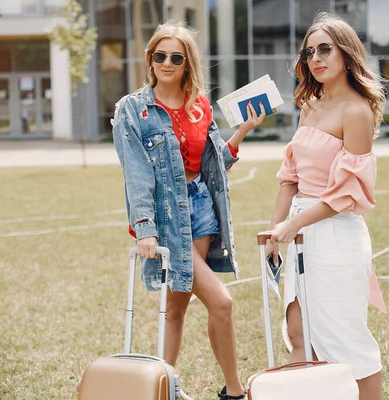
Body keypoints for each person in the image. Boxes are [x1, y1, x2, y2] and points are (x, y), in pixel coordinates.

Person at [112, 20, 267, 400]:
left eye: (175, 57)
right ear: (150, 60)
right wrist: (145, 227)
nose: (166, 62)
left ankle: (161, 391)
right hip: (167, 219)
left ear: (187, 63)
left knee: (175, 307)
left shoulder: (200, 106)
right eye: (159, 55)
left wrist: (242, 131)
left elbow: (213, 164)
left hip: (201, 212)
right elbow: (137, 174)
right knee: (222, 302)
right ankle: (233, 392)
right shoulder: (134, 110)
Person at [265, 12, 385, 400]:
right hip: (300, 231)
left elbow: (346, 195)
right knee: (300, 333)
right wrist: (274, 230)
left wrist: (295, 222)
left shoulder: (357, 112)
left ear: (346, 54)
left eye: (325, 49)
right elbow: (290, 177)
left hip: (335, 235)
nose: (315, 58)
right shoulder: (310, 104)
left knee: (346, 342)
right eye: (309, 51)